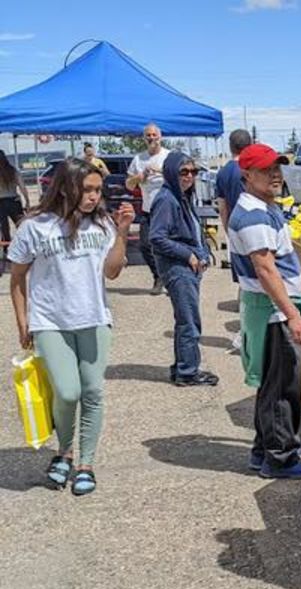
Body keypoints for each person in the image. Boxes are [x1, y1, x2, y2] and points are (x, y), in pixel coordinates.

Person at [7, 159, 135, 495]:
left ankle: (85, 463)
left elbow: (112, 272)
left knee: (92, 392)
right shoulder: (35, 227)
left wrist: (121, 232)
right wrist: (23, 322)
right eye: (87, 189)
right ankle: (63, 450)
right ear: (66, 188)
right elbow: (17, 278)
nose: (94, 196)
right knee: (67, 391)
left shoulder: (102, 225)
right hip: (50, 322)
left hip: (94, 319)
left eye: (98, 190)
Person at [227, 144, 301, 480]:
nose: (276, 175)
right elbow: (266, 269)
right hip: (273, 313)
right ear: (247, 176)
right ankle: (280, 458)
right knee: (282, 387)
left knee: (272, 384)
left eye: (278, 168)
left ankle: (263, 450)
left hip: (272, 308)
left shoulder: (263, 207)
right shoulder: (253, 215)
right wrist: (292, 315)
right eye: (267, 171)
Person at [150, 151, 218, 386]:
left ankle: (182, 367)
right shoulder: (167, 199)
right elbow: (157, 238)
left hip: (188, 268)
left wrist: (203, 254)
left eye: (193, 172)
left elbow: (192, 231)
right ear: (171, 173)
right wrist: (188, 255)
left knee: (185, 319)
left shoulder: (183, 197)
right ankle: (188, 372)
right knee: (189, 321)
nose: (189, 177)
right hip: (177, 269)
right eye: (184, 172)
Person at [127, 123, 170, 295]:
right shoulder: (138, 159)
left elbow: (181, 176)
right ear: (144, 138)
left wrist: (160, 171)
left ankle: (170, 279)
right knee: (145, 245)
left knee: (167, 245)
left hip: (166, 210)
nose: (152, 138)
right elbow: (128, 185)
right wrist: (139, 177)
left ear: (160, 136)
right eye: (148, 135)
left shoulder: (168, 156)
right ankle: (158, 276)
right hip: (148, 210)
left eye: (154, 135)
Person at [216, 129, 253, 284]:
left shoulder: (223, 173)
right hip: (255, 225)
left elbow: (222, 207)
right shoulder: (252, 169)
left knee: (242, 272)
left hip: (234, 226)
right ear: (250, 145)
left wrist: (227, 229)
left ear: (230, 147)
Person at [0, 149, 30, 249]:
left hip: (1, 202)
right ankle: (26, 247)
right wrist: (27, 201)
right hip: (14, 200)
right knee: (21, 226)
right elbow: (22, 187)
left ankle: (7, 250)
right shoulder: (13, 170)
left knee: (4, 228)